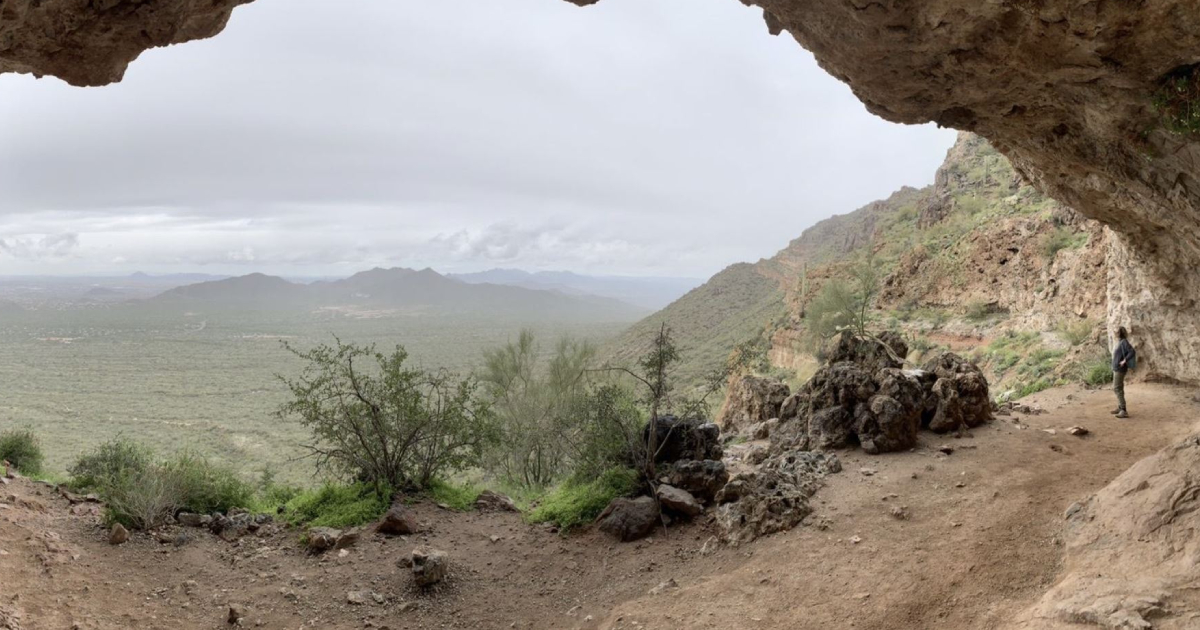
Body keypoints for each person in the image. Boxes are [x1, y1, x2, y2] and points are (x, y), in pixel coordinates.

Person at [1111, 326, 1135, 418]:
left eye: (1117, 332)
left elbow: (1132, 351)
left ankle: (1123, 410)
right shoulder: (1120, 342)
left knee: (1117, 388)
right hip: (1117, 368)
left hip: (1120, 369)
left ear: (1119, 333)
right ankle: (1120, 407)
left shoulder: (1124, 342)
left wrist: (1124, 360)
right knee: (1118, 388)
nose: (1115, 333)